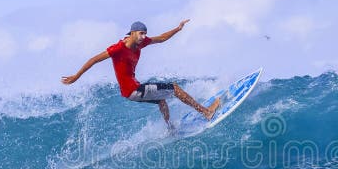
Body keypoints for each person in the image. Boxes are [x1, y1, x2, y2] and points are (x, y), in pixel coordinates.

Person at [61, 19, 220, 131]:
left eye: (145, 34)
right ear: (132, 33)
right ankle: (206, 112)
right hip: (134, 90)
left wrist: (178, 29)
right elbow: (93, 59)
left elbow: (162, 38)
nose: (144, 37)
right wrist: (76, 76)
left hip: (131, 91)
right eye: (141, 34)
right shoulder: (118, 48)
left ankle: (170, 129)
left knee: (161, 101)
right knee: (175, 89)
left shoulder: (140, 42)